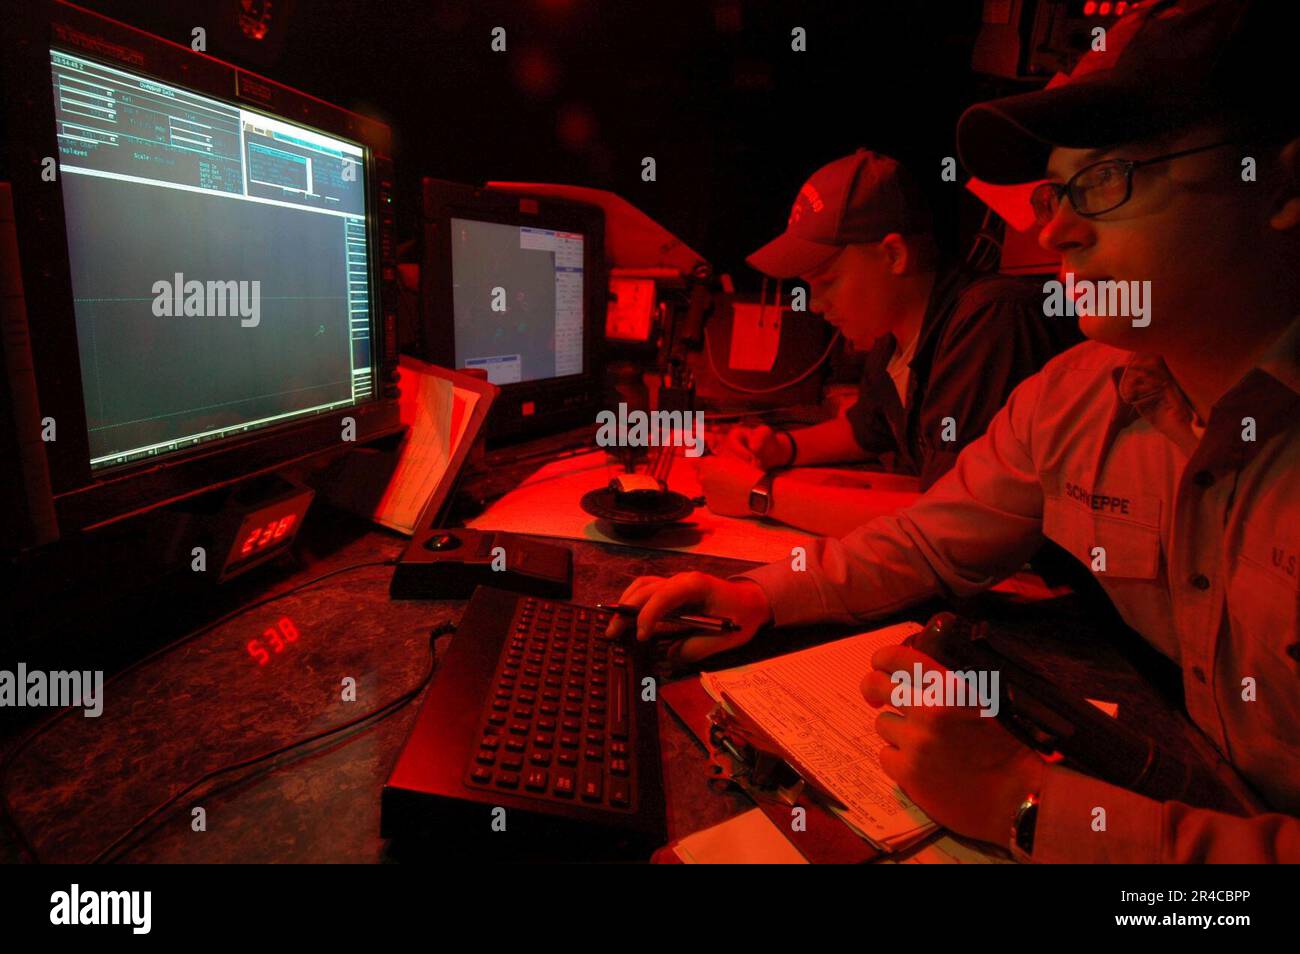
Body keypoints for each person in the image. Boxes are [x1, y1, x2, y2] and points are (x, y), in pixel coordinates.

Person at [611, 0, 1300, 862]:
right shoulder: (1075, 395)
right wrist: (761, 595)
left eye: (1109, 179)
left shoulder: (993, 324)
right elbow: (930, 537)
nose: (1055, 230)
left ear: (1282, 186)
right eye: (1054, 192)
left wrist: (1027, 805)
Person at [698, 149, 1078, 537]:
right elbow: (866, 430)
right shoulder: (892, 337)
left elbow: (951, 521)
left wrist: (760, 494)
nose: (814, 304)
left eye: (826, 282)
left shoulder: (991, 321)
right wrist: (782, 447)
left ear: (893, 254)